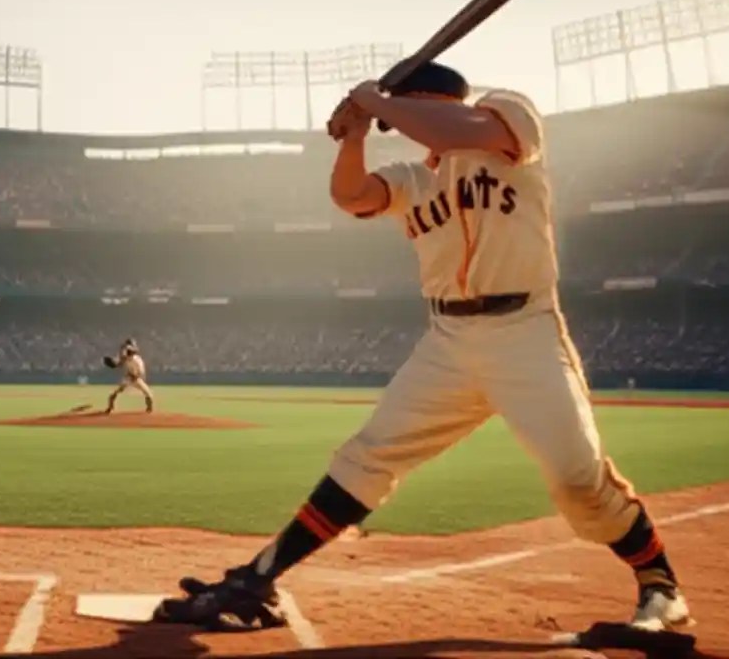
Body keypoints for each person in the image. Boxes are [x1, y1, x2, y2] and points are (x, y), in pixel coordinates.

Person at [152, 63, 691, 634]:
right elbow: (350, 195)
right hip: (449, 343)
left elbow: (456, 130)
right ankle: (256, 579)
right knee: (367, 457)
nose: (404, 128)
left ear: (429, 102)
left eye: (407, 112)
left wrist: (372, 102)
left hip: (525, 330)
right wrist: (357, 135)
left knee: (576, 477)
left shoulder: (509, 117)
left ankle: (662, 588)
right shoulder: (415, 179)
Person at [105, 338, 154, 414]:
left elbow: (139, 372)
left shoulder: (135, 358)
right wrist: (113, 363)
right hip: (128, 378)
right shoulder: (126, 357)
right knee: (114, 393)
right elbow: (119, 363)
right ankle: (110, 408)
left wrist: (116, 362)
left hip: (136, 379)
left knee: (149, 394)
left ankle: (149, 409)